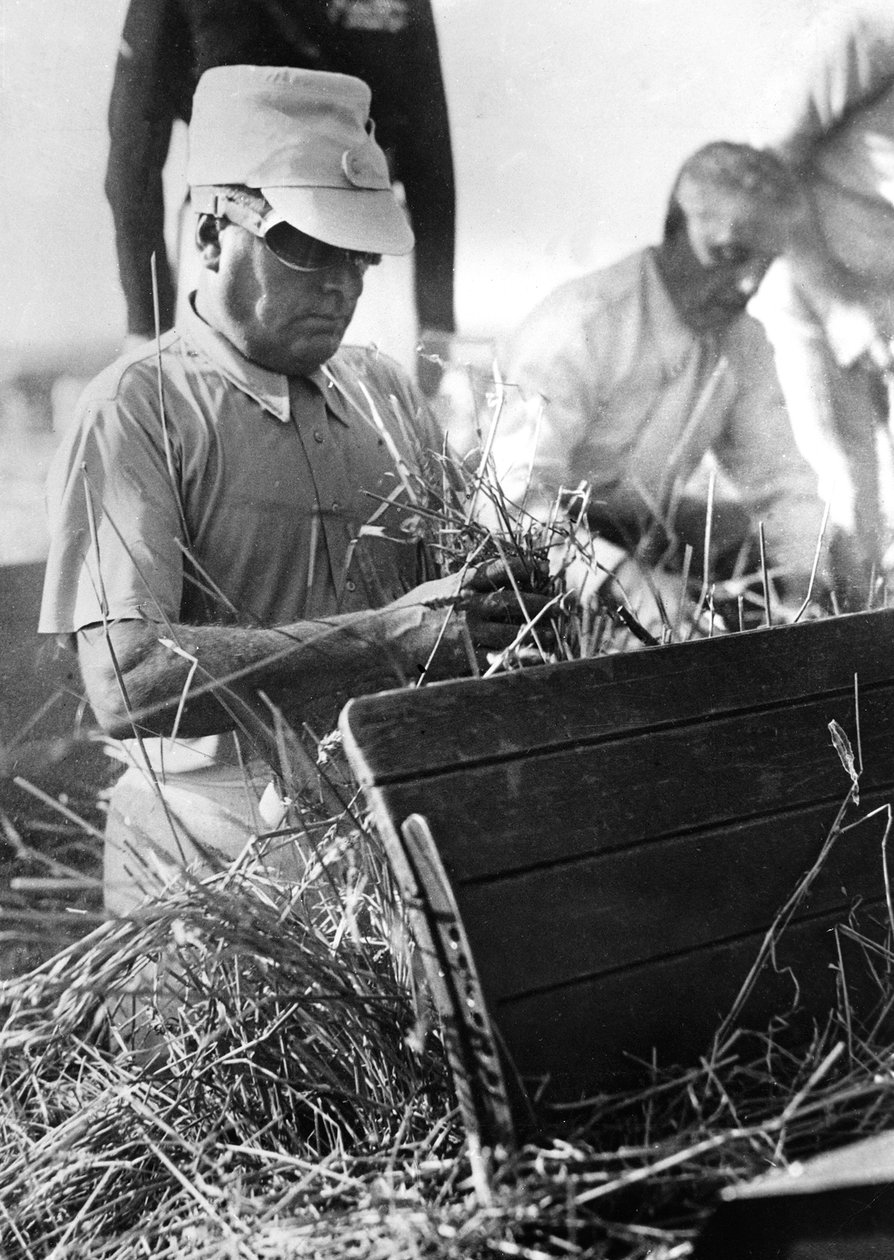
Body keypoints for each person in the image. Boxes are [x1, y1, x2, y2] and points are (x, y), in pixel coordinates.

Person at [40, 65, 530, 919]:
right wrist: (382, 637)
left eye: (361, 252)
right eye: (305, 247)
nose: (342, 284)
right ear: (208, 235)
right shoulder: (138, 410)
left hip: (383, 847)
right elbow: (127, 681)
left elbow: (458, 611)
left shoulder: (383, 394)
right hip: (206, 882)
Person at [488, 141, 833, 627]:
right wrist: (627, 586)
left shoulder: (744, 341)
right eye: (730, 254)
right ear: (675, 228)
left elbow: (781, 482)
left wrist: (812, 582)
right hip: (539, 560)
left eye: (766, 262)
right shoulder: (582, 324)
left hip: (647, 544)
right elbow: (510, 500)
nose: (749, 284)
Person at [104, 0, 456, 393]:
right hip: (234, 243)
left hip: (365, 253)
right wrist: (145, 319)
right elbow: (134, 157)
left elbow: (431, 151)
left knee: (374, 429)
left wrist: (436, 321)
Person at [749, 3, 894, 603]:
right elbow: (770, 165)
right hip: (817, 294)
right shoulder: (871, 26)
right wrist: (837, 304)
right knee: (841, 497)